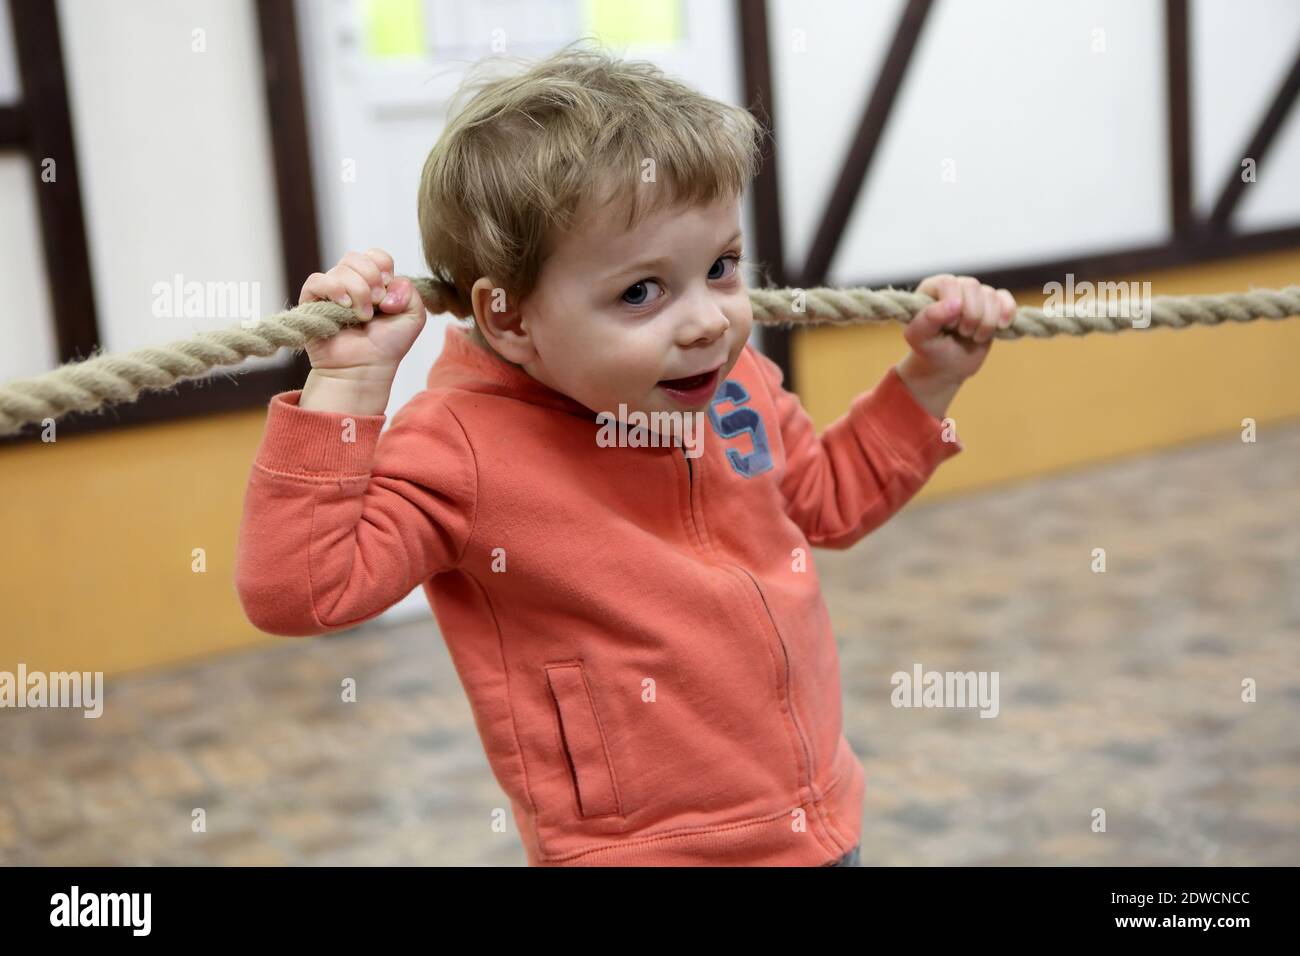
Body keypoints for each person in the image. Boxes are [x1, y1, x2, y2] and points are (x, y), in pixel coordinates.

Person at [234, 44, 1015, 866]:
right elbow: (299, 592)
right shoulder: (459, 445)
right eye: (641, 291)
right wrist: (351, 388)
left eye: (719, 267)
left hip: (815, 825)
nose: (708, 320)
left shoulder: (731, 380)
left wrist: (928, 382)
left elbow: (828, 500)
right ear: (509, 321)